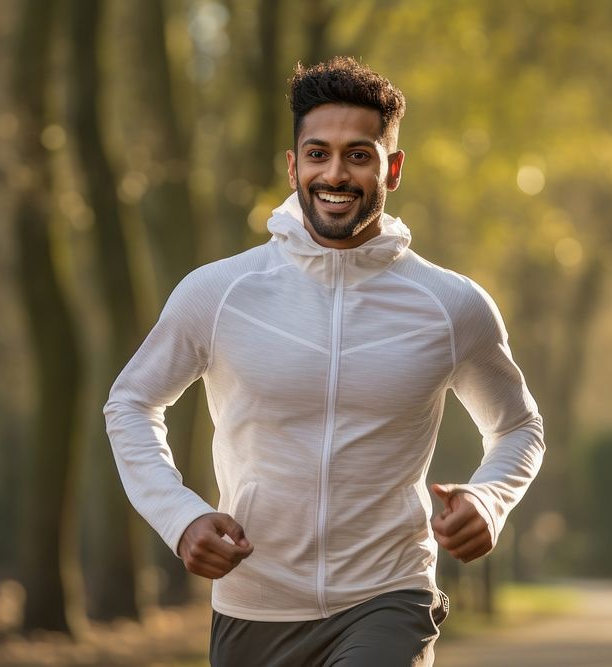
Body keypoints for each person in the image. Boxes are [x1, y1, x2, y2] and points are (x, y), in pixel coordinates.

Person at [104, 56, 545, 666]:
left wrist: (490, 499)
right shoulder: (220, 292)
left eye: (358, 155)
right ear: (293, 166)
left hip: (389, 594)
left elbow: (518, 426)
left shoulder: (451, 305)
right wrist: (179, 517)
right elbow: (131, 402)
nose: (335, 173)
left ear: (393, 168)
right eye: (318, 154)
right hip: (253, 602)